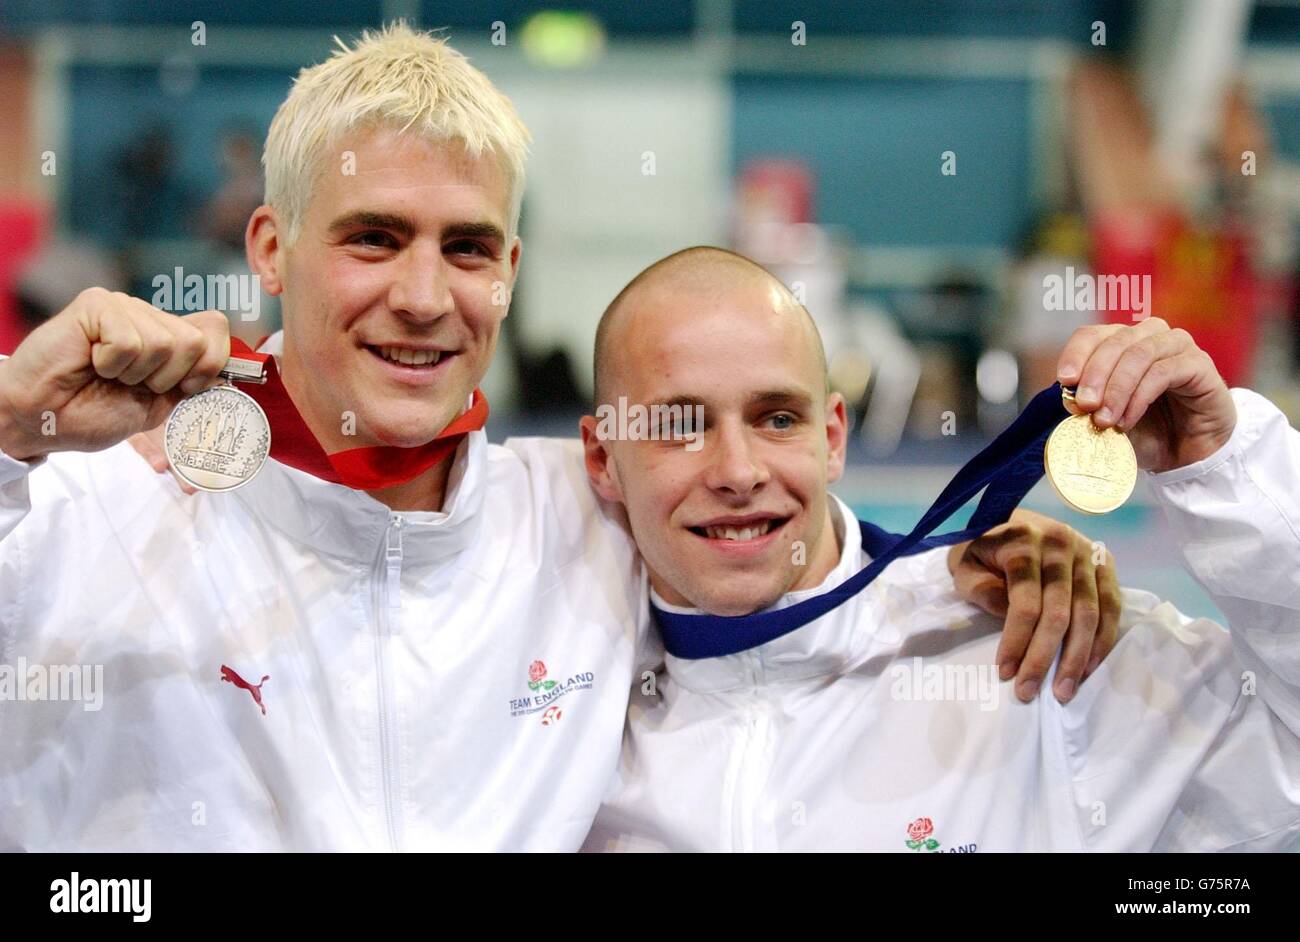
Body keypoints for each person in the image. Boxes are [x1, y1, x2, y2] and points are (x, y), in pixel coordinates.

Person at [1, 27, 1112, 851]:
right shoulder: (90, 514)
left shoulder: (584, 513)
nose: (425, 295)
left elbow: (794, 578)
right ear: (270, 247)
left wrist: (983, 561)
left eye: (469, 248)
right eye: (375, 239)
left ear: (510, 276)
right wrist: (9, 430)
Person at [579, 246, 1300, 852]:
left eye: (776, 418)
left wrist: (1225, 469)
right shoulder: (569, 720)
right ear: (601, 459)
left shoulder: (1039, 648)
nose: (738, 471)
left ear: (831, 436)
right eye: (679, 425)